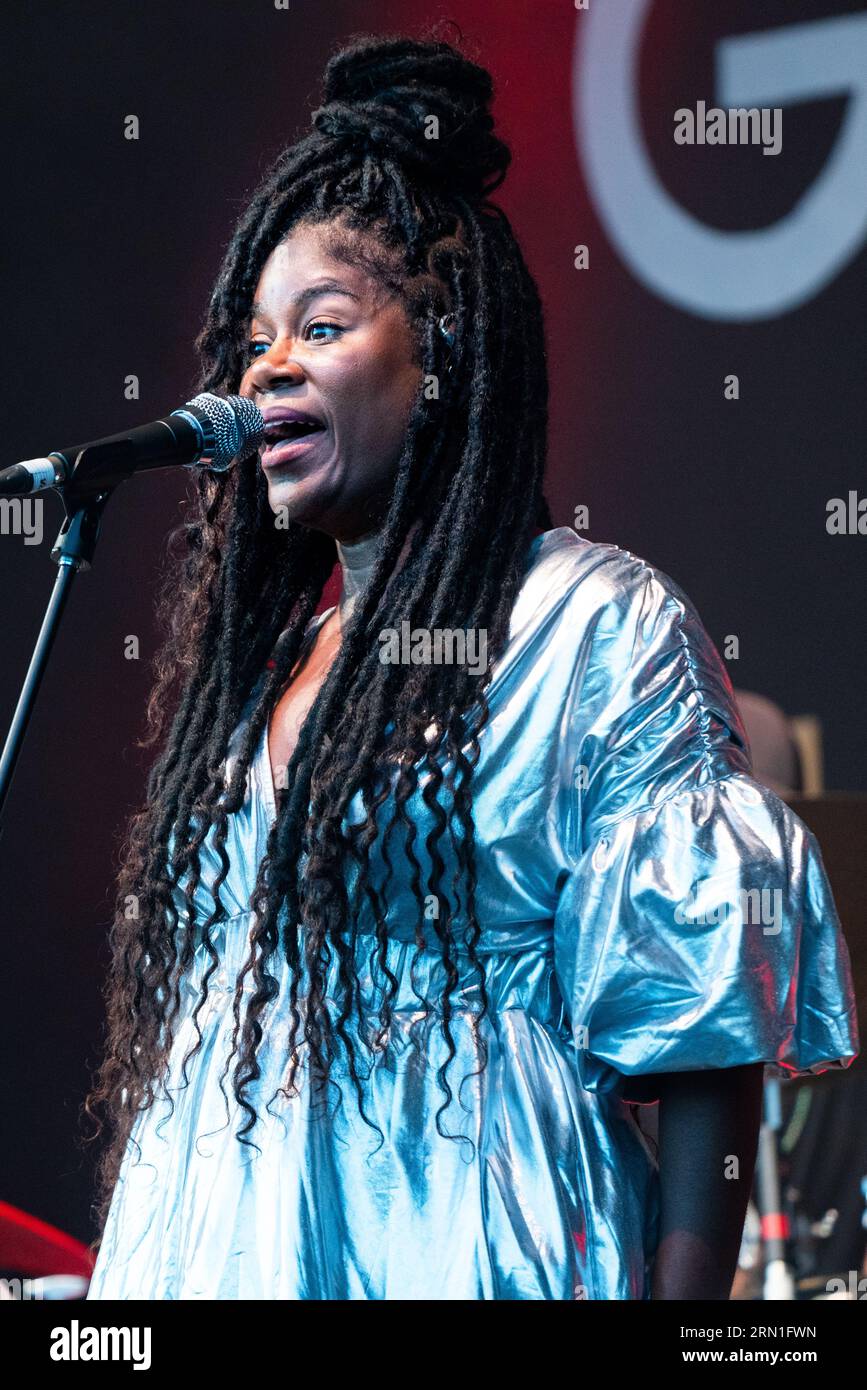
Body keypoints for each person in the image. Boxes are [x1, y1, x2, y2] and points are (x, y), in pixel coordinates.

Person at [84, 33, 859, 1301]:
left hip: (478, 1247)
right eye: (251, 340)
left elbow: (703, 1064)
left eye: (320, 325)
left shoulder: (590, 626)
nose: (265, 367)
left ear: (439, 354)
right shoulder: (273, 662)